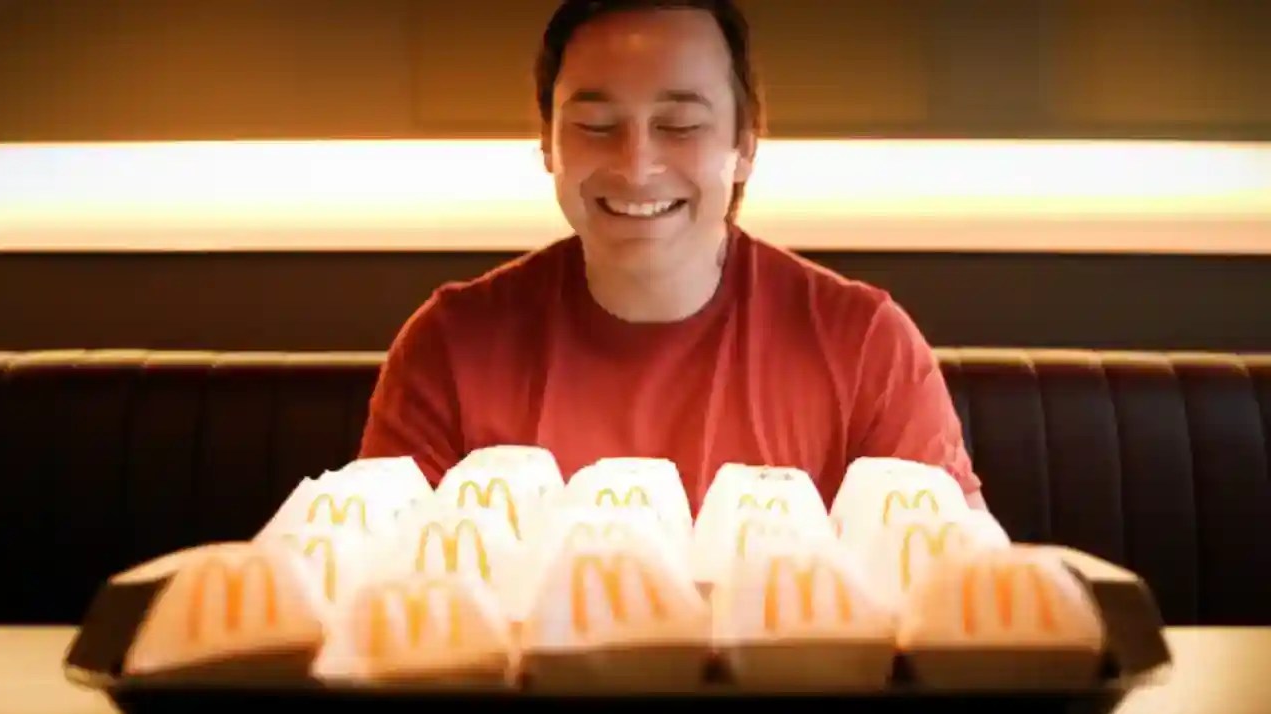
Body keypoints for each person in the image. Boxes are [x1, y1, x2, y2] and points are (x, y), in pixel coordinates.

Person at [358, 0, 987, 514]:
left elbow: (961, 600)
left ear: (745, 145)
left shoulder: (865, 347)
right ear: (547, 145)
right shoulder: (449, 347)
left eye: (680, 126)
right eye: (597, 126)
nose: (636, 167)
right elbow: (375, 602)